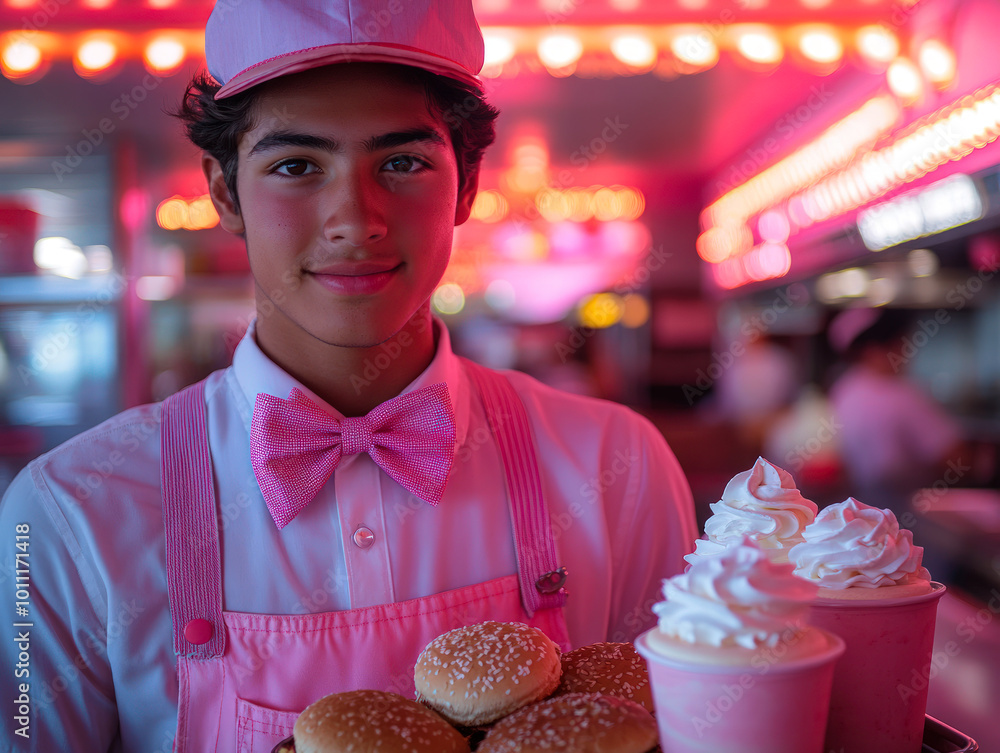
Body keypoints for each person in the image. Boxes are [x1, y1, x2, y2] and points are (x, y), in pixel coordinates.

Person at [0, 1, 697, 750]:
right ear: (224, 191)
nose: (353, 217)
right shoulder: (68, 511)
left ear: (465, 185)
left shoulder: (616, 463)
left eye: (402, 162)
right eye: (297, 165)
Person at [827, 307, 965, 516]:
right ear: (873, 349)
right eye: (901, 344)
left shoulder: (842, 389)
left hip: (856, 514)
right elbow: (955, 457)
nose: (908, 352)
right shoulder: (902, 396)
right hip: (909, 512)